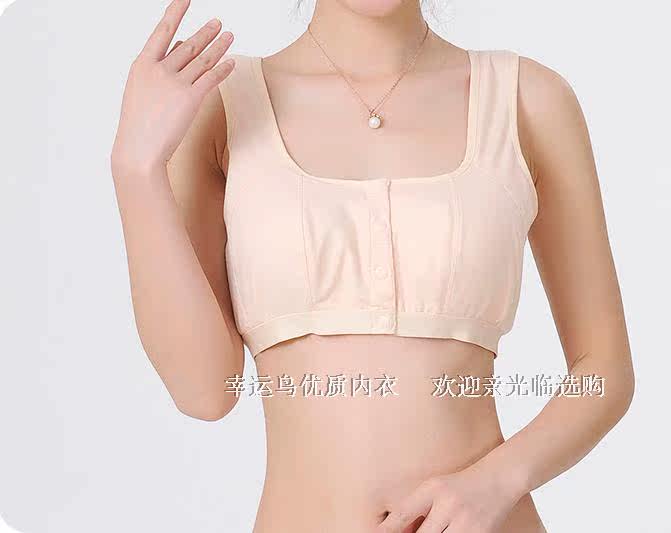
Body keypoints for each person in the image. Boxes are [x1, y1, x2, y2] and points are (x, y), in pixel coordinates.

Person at [110, 0, 635, 531]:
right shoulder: (220, 105)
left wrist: (494, 482)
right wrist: (135, 168)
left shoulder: (527, 99)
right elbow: (205, 392)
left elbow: (604, 372)